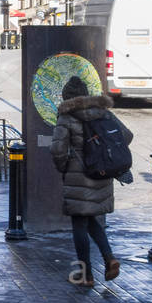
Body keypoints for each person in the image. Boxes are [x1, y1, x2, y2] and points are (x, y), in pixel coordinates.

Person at [51, 76, 134, 287]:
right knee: (91, 219)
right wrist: (105, 155)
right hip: (102, 175)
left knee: (79, 223)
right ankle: (109, 258)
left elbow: (58, 150)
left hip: (78, 178)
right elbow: (127, 135)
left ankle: (86, 275)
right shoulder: (103, 112)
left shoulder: (66, 117)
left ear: (66, 97)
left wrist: (64, 168)